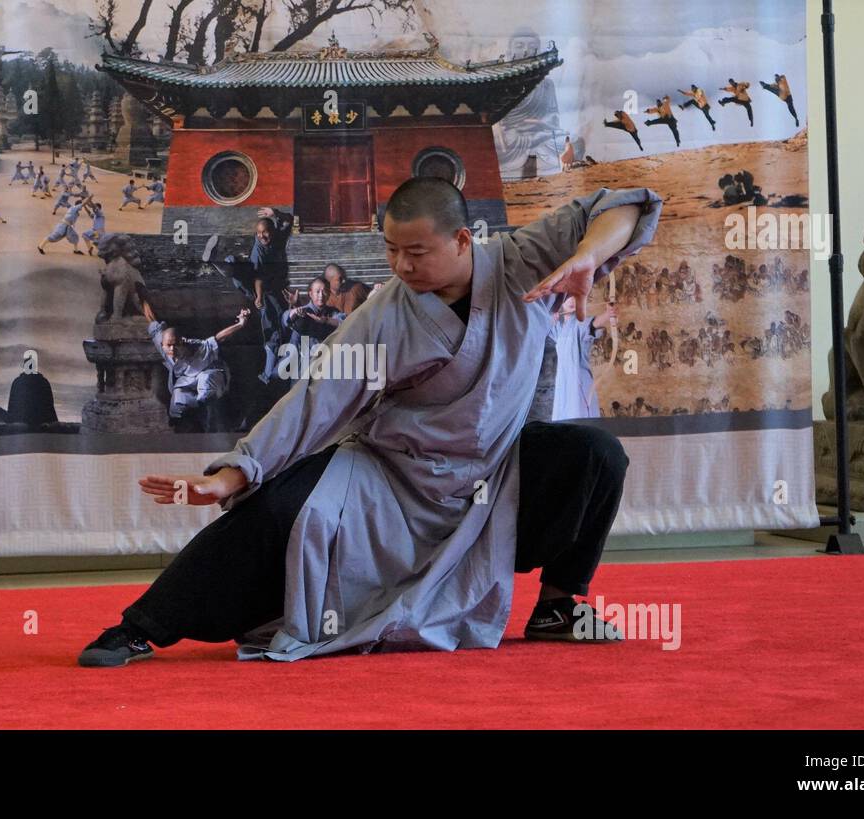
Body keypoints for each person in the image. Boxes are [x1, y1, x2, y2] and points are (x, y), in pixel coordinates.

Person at [79, 176, 663, 667]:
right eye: (391, 250)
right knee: (279, 514)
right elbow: (316, 399)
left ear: (463, 240)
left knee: (596, 454)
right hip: (392, 479)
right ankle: (143, 625)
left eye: (417, 252)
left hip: (492, 477)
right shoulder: (383, 315)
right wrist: (233, 474)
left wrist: (586, 256)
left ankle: (560, 606)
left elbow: (625, 205)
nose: (401, 265)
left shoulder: (521, 261)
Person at [202, 206, 296, 384]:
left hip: (269, 287)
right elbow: (259, 278)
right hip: (260, 288)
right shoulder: (259, 250)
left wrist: (275, 213)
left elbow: (289, 219)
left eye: (265, 233)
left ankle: (216, 261)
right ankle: (268, 374)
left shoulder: (279, 238)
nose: (262, 237)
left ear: (273, 231)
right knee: (273, 329)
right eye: (259, 234)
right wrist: (259, 298)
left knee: (236, 266)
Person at [148, 309, 249, 433]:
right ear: (163, 345)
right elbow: (153, 323)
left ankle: (212, 426)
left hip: (210, 373)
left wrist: (240, 324)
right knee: (178, 401)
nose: (173, 349)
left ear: (182, 341)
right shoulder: (163, 346)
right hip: (187, 380)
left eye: (177, 344)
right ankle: (184, 428)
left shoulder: (199, 347)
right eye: (169, 345)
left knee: (205, 385)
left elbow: (219, 338)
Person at [546, 296, 617, 421]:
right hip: (563, 381)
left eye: (575, 297)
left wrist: (608, 314)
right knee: (563, 421)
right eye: (568, 297)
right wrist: (548, 320)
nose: (572, 300)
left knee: (579, 417)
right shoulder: (559, 327)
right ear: (561, 301)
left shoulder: (580, 323)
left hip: (579, 381)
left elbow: (593, 324)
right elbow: (541, 329)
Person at [281, 277, 346, 352]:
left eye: (324, 291)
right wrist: (296, 308)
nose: (321, 295)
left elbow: (344, 322)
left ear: (328, 294)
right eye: (317, 292)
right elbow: (286, 318)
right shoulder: (304, 311)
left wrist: (325, 320)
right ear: (311, 294)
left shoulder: (333, 311)